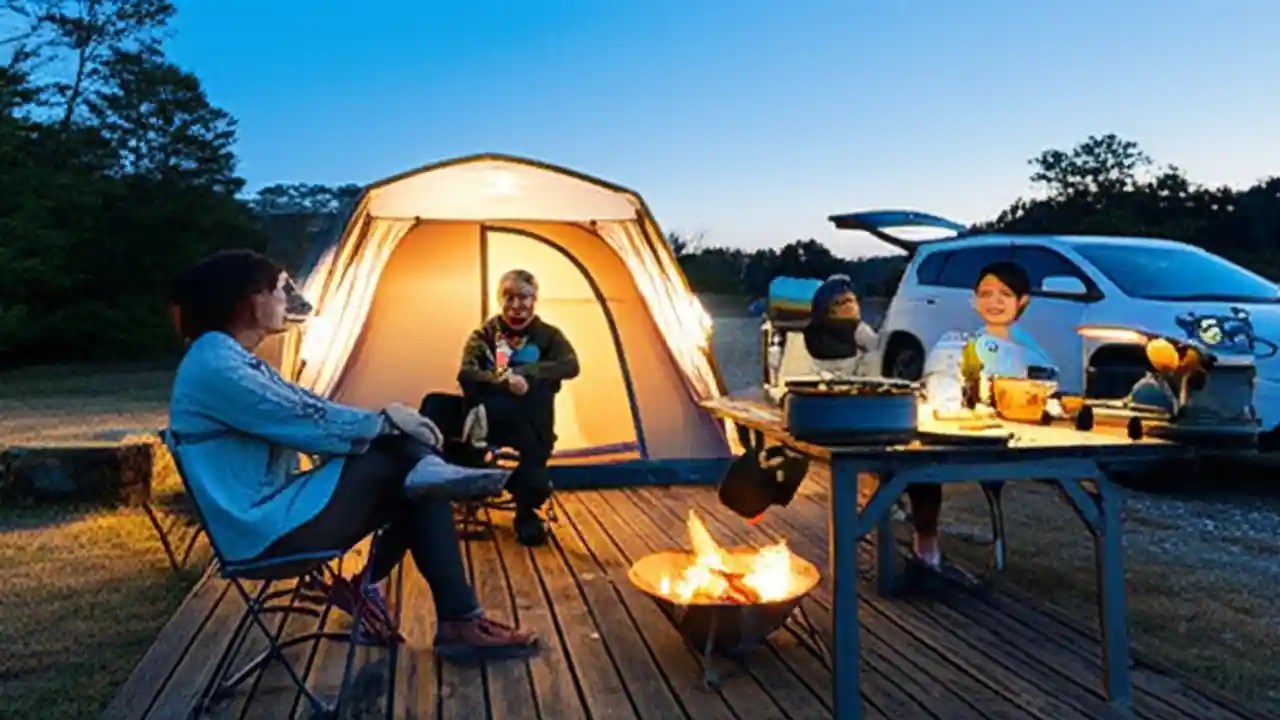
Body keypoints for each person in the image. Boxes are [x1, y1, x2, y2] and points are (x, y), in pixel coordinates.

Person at [166, 249, 539, 659]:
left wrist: (386, 422)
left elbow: (302, 405)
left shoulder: (225, 357)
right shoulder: (215, 362)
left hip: (272, 515)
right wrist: (388, 422)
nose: (282, 300)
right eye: (277, 290)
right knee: (402, 463)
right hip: (262, 532)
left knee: (417, 481)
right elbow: (305, 418)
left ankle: (454, 612)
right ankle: (457, 614)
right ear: (249, 301)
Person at [913, 260, 1056, 571]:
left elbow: (1046, 390)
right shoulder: (959, 343)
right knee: (919, 466)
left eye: (1004, 294)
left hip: (1016, 438)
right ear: (974, 300)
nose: (994, 302)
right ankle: (926, 545)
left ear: (1023, 302)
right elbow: (943, 382)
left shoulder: (1029, 350)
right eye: (986, 294)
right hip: (964, 433)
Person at [457, 269, 579, 546]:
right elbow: (467, 371)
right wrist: (504, 380)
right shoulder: (486, 333)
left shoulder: (548, 336)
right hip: (493, 415)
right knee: (436, 406)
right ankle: (483, 488)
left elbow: (571, 365)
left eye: (523, 297)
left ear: (534, 299)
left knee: (535, 408)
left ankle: (525, 506)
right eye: (509, 297)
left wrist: (528, 373)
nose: (516, 305)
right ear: (500, 298)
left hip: (532, 421)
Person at [801, 274, 879, 376]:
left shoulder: (860, 330)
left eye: (852, 301)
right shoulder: (857, 329)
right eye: (843, 302)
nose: (851, 306)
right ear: (828, 309)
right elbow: (877, 348)